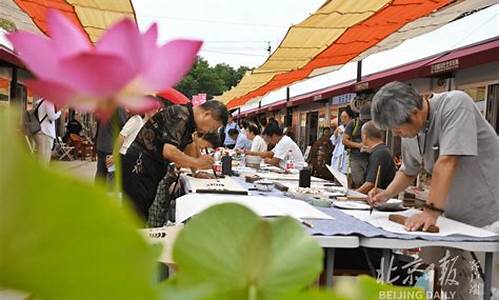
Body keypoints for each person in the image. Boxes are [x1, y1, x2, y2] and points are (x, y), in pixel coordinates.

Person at [368, 81, 499, 297]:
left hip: (489, 215)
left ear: (415, 112)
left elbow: (447, 162)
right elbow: (408, 171)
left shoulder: (456, 104)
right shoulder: (412, 134)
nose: (398, 134)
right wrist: (386, 194)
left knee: (487, 288)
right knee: (452, 285)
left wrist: (430, 211)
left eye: (398, 128)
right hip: (453, 219)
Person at [122, 100, 228, 221]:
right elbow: (169, 151)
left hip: (151, 166)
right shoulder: (180, 115)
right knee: (135, 214)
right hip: (139, 163)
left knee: (142, 210)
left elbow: (189, 145)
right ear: (207, 114)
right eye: (213, 127)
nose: (211, 132)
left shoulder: (189, 120)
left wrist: (195, 171)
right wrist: (198, 163)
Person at [148, 132, 221, 227]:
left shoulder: (194, 140)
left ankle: (158, 230)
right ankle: (153, 233)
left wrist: (197, 170)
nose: (204, 148)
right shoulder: (190, 137)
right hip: (159, 171)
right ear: (202, 136)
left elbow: (197, 158)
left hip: (167, 172)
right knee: (158, 208)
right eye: (206, 145)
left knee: (162, 207)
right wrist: (196, 170)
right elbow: (192, 156)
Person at [356, 121, 396, 194]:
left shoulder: (379, 153)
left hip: (379, 199)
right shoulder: (382, 150)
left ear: (364, 136)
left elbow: (370, 184)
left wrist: (353, 194)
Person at [94, 107, 127, 184]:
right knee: (112, 176)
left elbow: (98, 125)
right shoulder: (119, 106)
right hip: (111, 147)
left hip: (101, 145)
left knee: (100, 174)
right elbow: (124, 126)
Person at [343, 103, 371, 188]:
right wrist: (359, 145)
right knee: (358, 181)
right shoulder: (353, 123)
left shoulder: (375, 124)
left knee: (369, 182)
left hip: (370, 157)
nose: (366, 121)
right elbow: (344, 140)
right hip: (356, 158)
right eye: (364, 119)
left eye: (368, 119)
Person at [34, 98, 61, 165]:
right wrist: (59, 112)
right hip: (46, 132)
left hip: (41, 131)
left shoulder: (41, 101)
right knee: (44, 158)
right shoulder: (49, 101)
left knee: (41, 156)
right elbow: (51, 117)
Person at [331, 109, 354, 174]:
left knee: (346, 174)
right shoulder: (340, 127)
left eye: (345, 117)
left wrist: (342, 133)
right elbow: (334, 142)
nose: (342, 119)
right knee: (336, 173)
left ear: (350, 118)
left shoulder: (354, 127)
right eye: (341, 117)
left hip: (347, 155)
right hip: (338, 154)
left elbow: (350, 139)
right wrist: (335, 133)